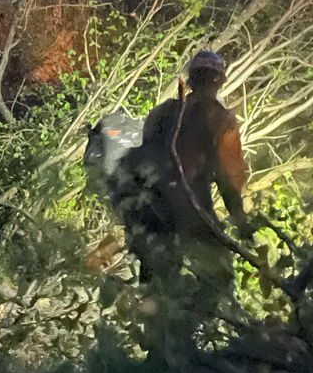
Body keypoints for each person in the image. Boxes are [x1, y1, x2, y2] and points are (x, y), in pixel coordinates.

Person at [86, 50, 252, 284]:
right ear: (219, 82)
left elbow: (147, 144)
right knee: (220, 273)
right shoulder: (221, 120)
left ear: (192, 79)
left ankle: (144, 307)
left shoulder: (165, 110)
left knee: (155, 275)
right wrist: (241, 221)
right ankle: (201, 313)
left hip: (143, 198)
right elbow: (229, 176)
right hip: (183, 202)